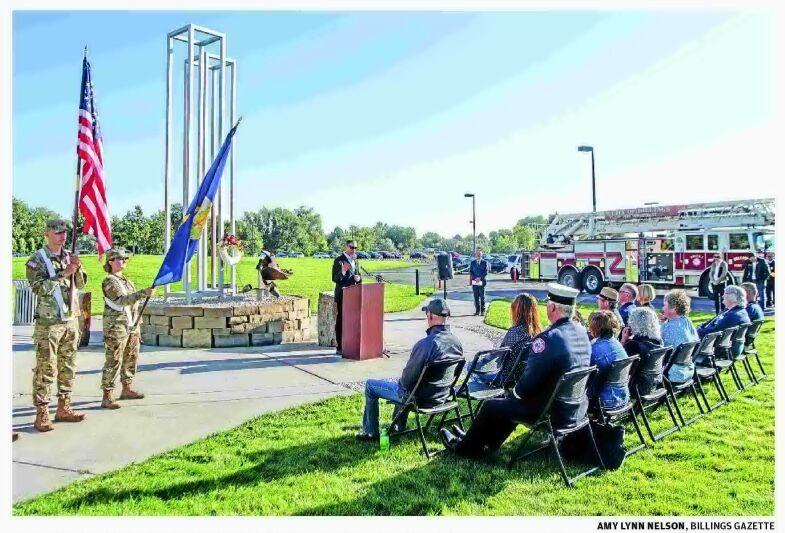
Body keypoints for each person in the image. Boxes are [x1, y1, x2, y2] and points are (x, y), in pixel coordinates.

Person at [439, 283, 591, 457]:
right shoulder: (581, 333)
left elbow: (527, 384)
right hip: (573, 407)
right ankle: (484, 443)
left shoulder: (549, 339)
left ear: (553, 307)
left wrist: (514, 394)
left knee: (493, 404)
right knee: (506, 402)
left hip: (548, 411)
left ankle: (466, 449)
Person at [355, 298, 463, 440]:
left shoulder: (425, 345)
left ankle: (370, 433)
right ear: (447, 317)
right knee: (408, 386)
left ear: (430, 316)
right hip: (441, 396)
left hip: (418, 399)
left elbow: (407, 381)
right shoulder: (456, 343)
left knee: (371, 385)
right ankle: (398, 426)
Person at [26, 219, 88, 432]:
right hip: (49, 324)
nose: (62, 235)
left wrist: (76, 268)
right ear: (47, 234)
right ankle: (42, 412)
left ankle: (64, 407)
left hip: (70, 320)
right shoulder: (38, 259)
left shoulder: (69, 256)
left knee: (68, 365)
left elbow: (80, 284)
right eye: (57, 232)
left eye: (64, 232)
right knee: (46, 368)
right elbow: (38, 287)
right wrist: (64, 272)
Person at [100, 248, 154, 409]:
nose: (123, 261)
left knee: (131, 357)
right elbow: (120, 301)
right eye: (120, 259)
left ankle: (127, 387)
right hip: (116, 326)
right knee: (114, 359)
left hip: (131, 325)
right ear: (111, 262)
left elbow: (133, 304)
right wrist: (142, 293)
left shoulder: (126, 281)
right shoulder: (109, 281)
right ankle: (107, 394)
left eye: (124, 259)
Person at [468, 293, 542, 389]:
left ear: (517, 311)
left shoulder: (515, 332)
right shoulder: (538, 333)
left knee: (470, 366)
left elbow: (498, 355)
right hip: (523, 377)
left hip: (506, 378)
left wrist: (479, 362)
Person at [587, 311, 629, 409]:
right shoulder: (617, 344)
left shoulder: (595, 350)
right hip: (622, 396)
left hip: (605, 400)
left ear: (594, 328)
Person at [621, 306, 664, 396]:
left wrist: (623, 341)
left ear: (634, 323)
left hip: (636, 388)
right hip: (654, 383)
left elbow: (619, 369)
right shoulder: (658, 341)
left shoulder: (633, 345)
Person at [660, 289, 699, 383]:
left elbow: (661, 351)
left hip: (673, 373)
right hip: (688, 370)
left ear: (674, 309)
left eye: (665, 305)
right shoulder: (686, 320)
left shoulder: (670, 327)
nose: (662, 308)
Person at [332, 240, 361, 354]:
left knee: (353, 320)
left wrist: (359, 278)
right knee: (341, 320)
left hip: (354, 295)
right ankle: (339, 346)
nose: (354, 250)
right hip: (342, 295)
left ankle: (351, 343)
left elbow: (357, 275)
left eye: (355, 248)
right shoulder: (338, 261)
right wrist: (343, 271)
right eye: (352, 247)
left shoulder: (355, 260)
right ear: (346, 247)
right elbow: (334, 278)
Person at [468, 249, 490, 315]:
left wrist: (480, 278)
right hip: (475, 282)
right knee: (476, 297)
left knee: (482, 297)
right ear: (475, 255)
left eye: (480, 254)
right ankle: (477, 311)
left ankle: (482, 311)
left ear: (482, 255)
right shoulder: (473, 262)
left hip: (482, 282)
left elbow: (486, 272)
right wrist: (475, 278)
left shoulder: (485, 262)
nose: (478, 255)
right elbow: (471, 272)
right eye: (477, 254)